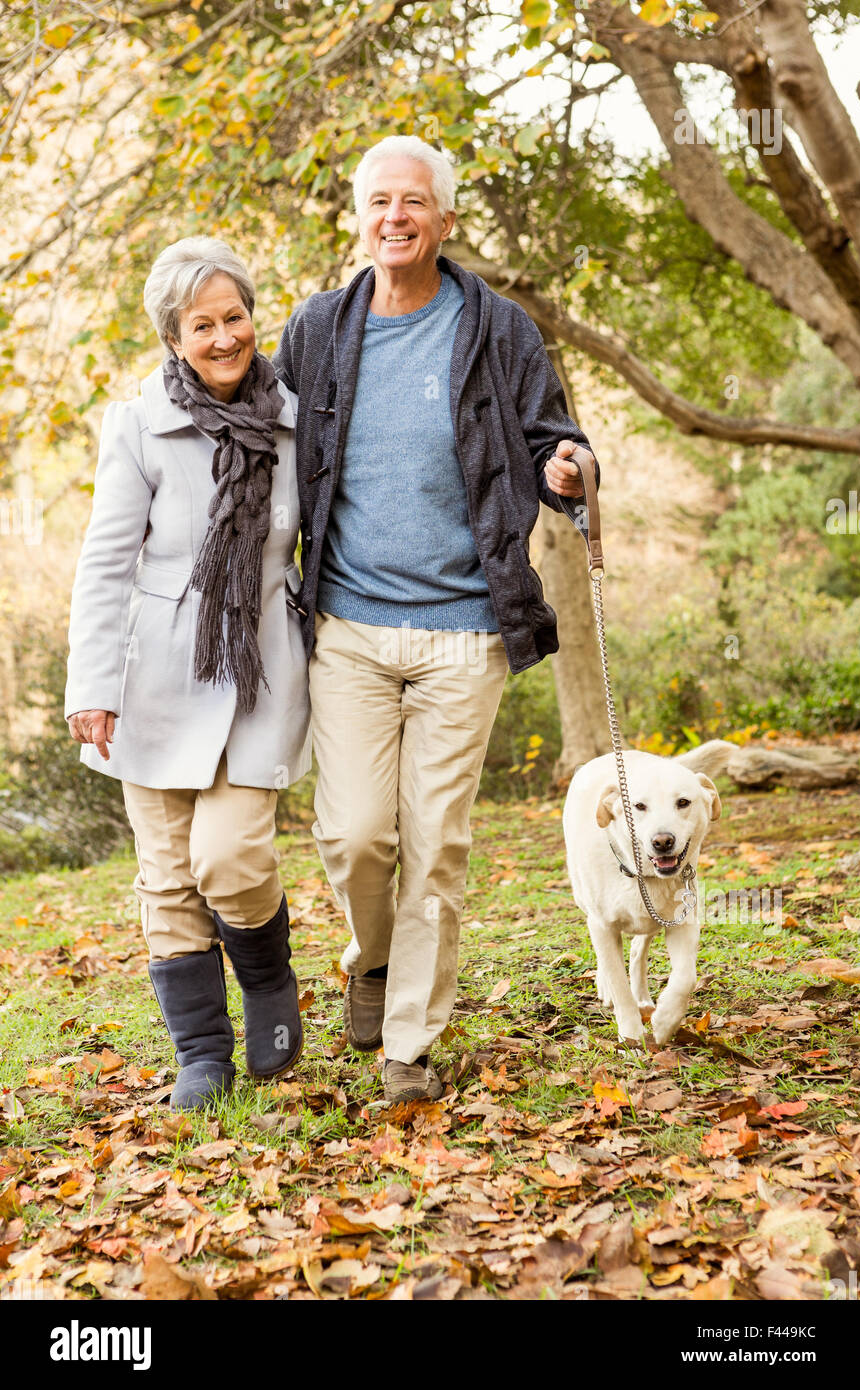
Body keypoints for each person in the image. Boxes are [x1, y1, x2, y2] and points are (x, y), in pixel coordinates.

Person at [273, 136, 596, 1104]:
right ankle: (369, 961)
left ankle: (406, 1045)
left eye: (413, 202)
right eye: (378, 202)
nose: (394, 217)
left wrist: (569, 468)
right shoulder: (316, 330)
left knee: (435, 842)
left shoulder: (497, 329)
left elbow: (554, 434)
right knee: (358, 834)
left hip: (466, 626)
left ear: (444, 219)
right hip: (348, 627)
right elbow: (262, 436)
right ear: (358, 217)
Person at [65, 237, 311, 1111]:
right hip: (157, 672)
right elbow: (105, 562)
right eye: (201, 325)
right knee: (167, 874)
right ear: (173, 337)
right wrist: (90, 685)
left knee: (232, 854)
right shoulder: (137, 423)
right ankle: (202, 1055)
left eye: (234, 317)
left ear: (254, 317)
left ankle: (271, 982)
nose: (222, 338)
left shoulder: (296, 415)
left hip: (261, 664)